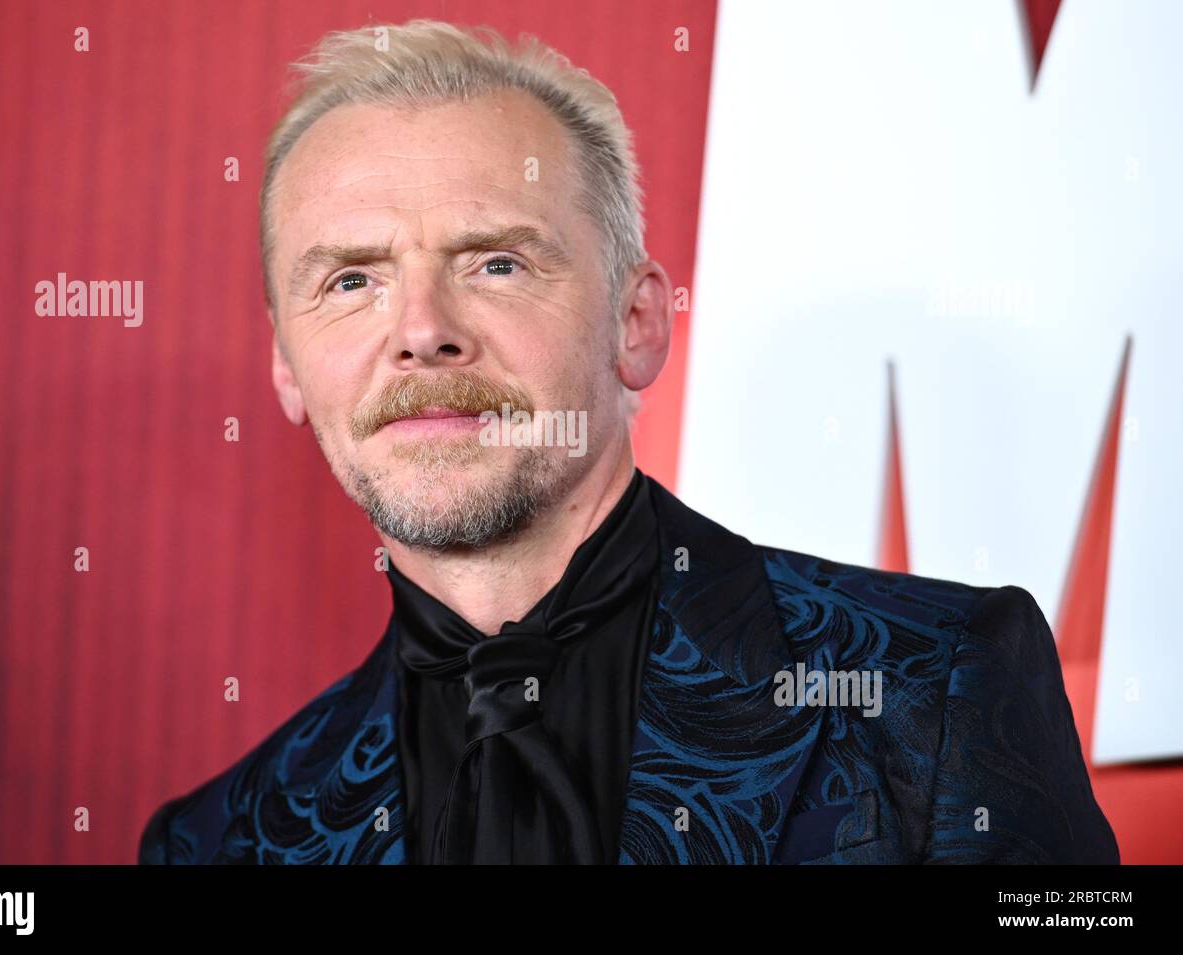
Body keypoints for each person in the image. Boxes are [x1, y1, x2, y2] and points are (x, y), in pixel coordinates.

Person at [137, 19, 1118, 865]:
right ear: (285, 366)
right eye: (351, 280)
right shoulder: (217, 839)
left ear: (637, 322)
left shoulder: (934, 685)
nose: (419, 327)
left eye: (496, 261)